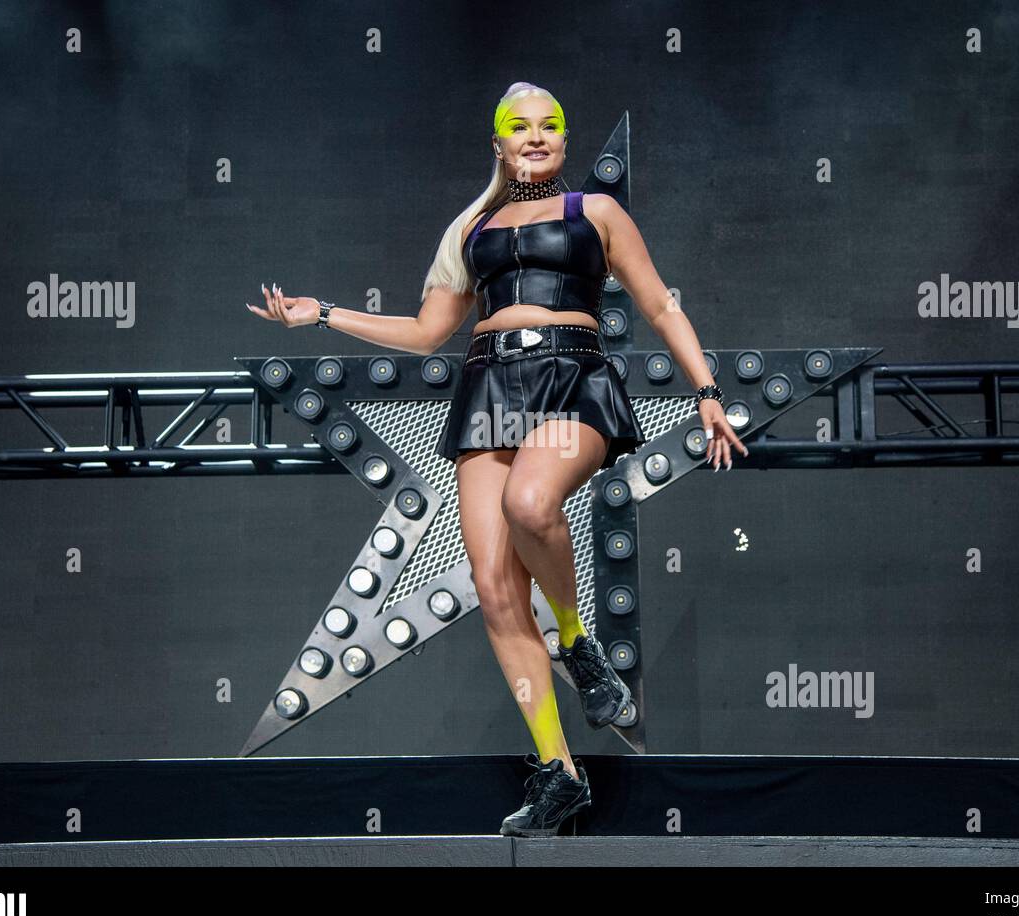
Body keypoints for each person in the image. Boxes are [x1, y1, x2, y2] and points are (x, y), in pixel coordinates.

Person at [247, 82, 747, 837]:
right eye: (522, 126)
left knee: (530, 506)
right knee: (493, 585)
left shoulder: (597, 215)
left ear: (565, 139)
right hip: (489, 389)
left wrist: (705, 388)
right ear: (499, 142)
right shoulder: (473, 227)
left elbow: (661, 306)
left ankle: (576, 643)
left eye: (551, 126)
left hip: (572, 375)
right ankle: (558, 774)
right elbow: (424, 334)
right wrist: (321, 312)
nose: (537, 136)